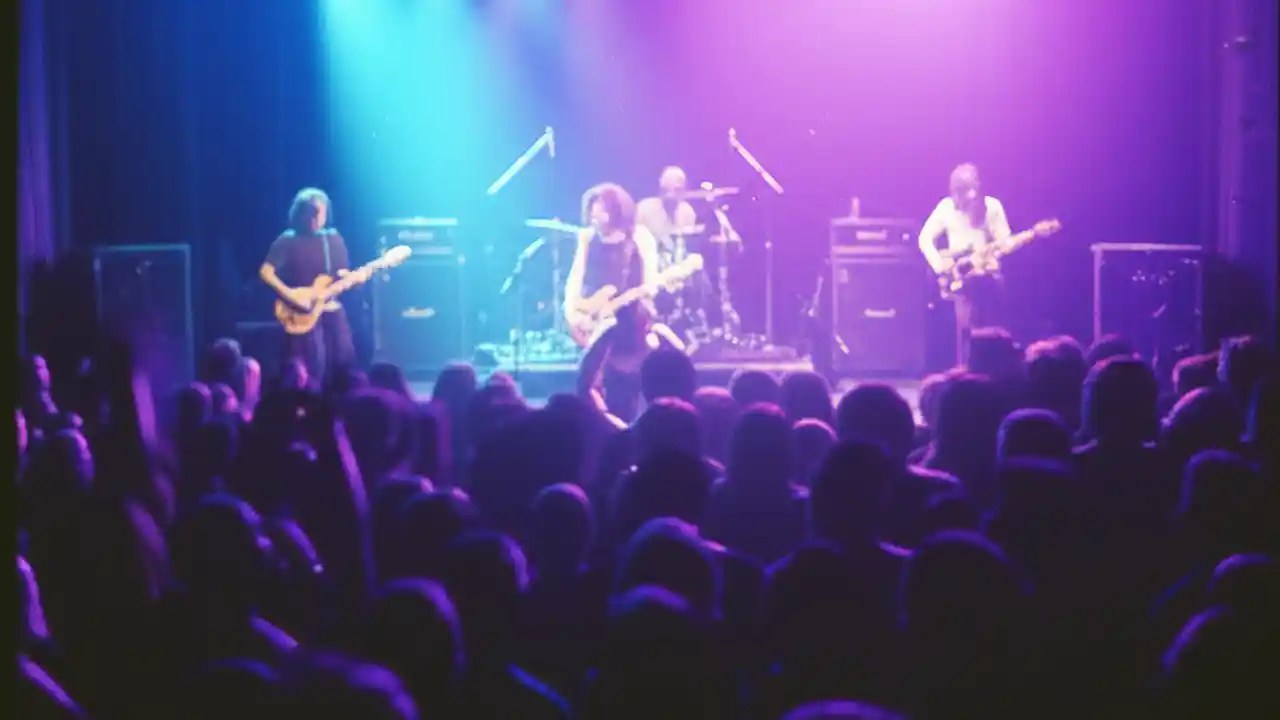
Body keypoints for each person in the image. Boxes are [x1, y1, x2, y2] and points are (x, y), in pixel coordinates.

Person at [568, 183, 683, 422]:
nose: (593, 217)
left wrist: (641, 297)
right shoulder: (587, 239)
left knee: (626, 388)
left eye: (599, 211)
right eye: (591, 212)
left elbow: (650, 283)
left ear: (615, 212)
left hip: (631, 322)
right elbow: (575, 279)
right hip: (598, 319)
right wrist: (573, 314)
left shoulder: (639, 237)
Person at [259, 187, 362, 388]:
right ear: (299, 214)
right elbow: (265, 272)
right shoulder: (287, 240)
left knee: (343, 361)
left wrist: (353, 280)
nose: (315, 218)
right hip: (301, 312)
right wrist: (289, 296)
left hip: (330, 310)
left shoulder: (332, 239)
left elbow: (341, 273)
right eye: (310, 213)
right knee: (310, 367)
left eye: (319, 213)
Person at [918, 163, 1013, 364]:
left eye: (971, 193)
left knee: (990, 324)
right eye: (960, 195)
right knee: (966, 322)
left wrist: (993, 252)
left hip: (987, 276)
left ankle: (989, 367)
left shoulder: (992, 207)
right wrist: (940, 266)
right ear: (954, 193)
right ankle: (967, 365)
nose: (967, 201)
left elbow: (1006, 242)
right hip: (960, 278)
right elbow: (925, 239)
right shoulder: (945, 208)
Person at [636, 166, 699, 263]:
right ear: (661, 188)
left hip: (678, 267)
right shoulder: (644, 209)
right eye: (668, 189)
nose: (672, 194)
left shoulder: (688, 212)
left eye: (678, 189)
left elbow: (687, 247)